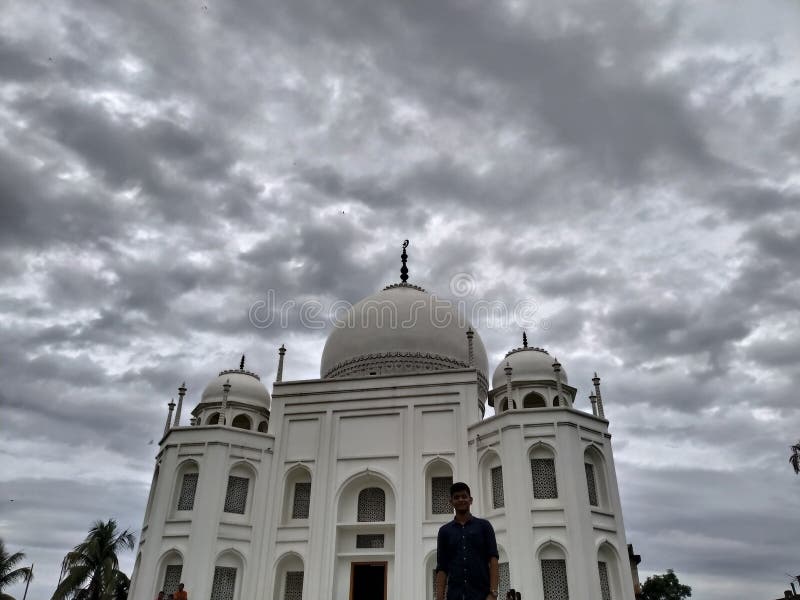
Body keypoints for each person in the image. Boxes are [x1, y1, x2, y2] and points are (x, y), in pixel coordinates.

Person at [435, 482, 499, 600]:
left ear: (471, 500)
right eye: (456, 497)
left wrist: (493, 593)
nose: (461, 500)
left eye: (464, 496)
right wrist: (439, 598)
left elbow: (493, 559)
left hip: (482, 595)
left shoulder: (484, 526)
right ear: (451, 502)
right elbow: (442, 568)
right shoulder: (444, 531)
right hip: (455, 596)